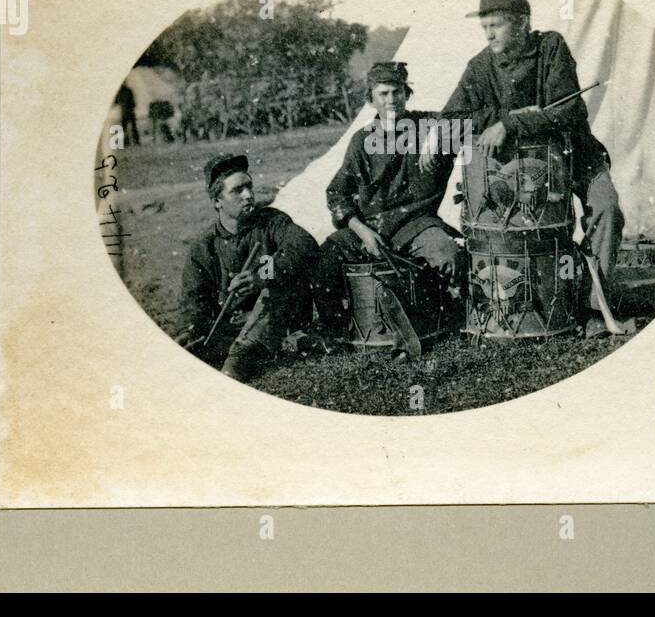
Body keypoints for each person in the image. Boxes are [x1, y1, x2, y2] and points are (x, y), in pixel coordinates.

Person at [423, 0, 631, 337]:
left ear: (522, 23)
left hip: (574, 152)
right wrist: (444, 133)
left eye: (497, 25)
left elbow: (571, 110)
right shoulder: (480, 66)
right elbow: (454, 118)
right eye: (484, 27)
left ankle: (594, 309)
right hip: (520, 171)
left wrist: (510, 123)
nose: (489, 35)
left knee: (607, 208)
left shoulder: (551, 47)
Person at [312, 61, 461, 337]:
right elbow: (337, 193)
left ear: (406, 94)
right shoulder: (361, 140)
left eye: (397, 92)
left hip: (416, 224)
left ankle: (448, 317)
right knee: (325, 259)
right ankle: (338, 331)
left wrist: (435, 136)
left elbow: (466, 118)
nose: (392, 100)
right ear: (371, 99)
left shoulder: (429, 125)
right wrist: (362, 231)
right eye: (383, 94)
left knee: (447, 254)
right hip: (370, 226)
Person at [177, 154, 319, 380]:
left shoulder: (272, 221)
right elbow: (194, 300)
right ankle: (238, 353)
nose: (249, 195)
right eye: (237, 190)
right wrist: (190, 329)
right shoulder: (203, 247)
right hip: (234, 328)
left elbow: (305, 245)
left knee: (274, 290)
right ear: (217, 201)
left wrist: (262, 276)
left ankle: (241, 359)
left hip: (280, 318)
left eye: (249, 187)